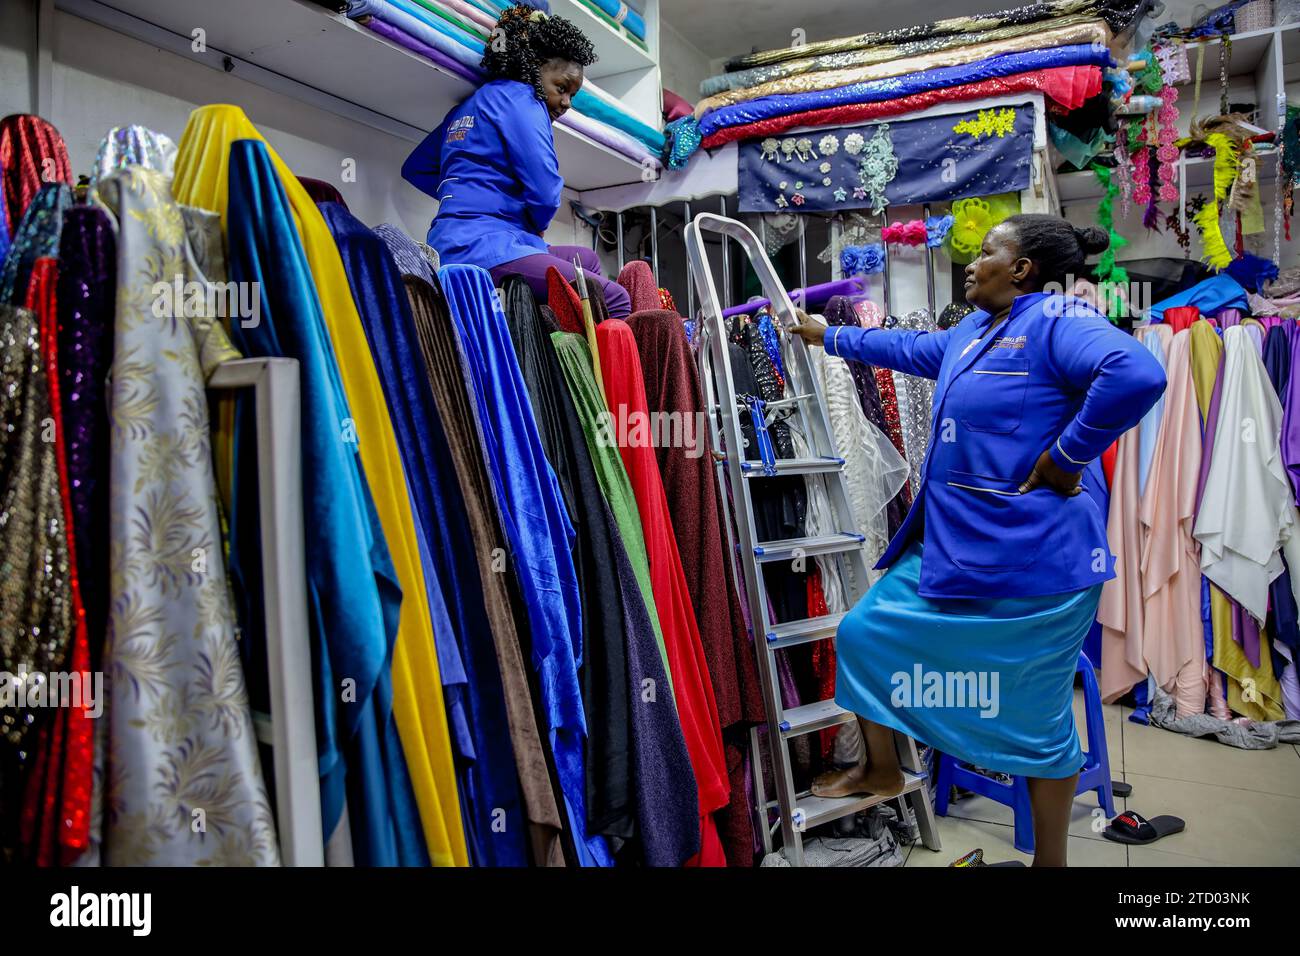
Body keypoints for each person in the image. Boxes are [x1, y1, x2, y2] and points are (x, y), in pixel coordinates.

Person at [789, 214, 1166, 867]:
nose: (971, 260)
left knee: (1042, 720)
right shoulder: (971, 331)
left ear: (1021, 269)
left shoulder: (1056, 320)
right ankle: (882, 769)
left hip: (1039, 564)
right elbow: (905, 352)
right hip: (957, 550)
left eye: (987, 251)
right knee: (863, 633)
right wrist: (831, 336)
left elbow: (1136, 374)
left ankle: (1050, 859)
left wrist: (1069, 456)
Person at [401, 4, 632, 317]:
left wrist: (471, 194)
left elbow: (416, 168)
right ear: (532, 67)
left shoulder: (466, 108)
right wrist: (533, 224)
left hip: (452, 243)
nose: (565, 103)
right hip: (484, 249)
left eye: (572, 95)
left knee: (586, 260)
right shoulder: (524, 99)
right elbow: (545, 191)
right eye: (561, 88)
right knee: (615, 298)